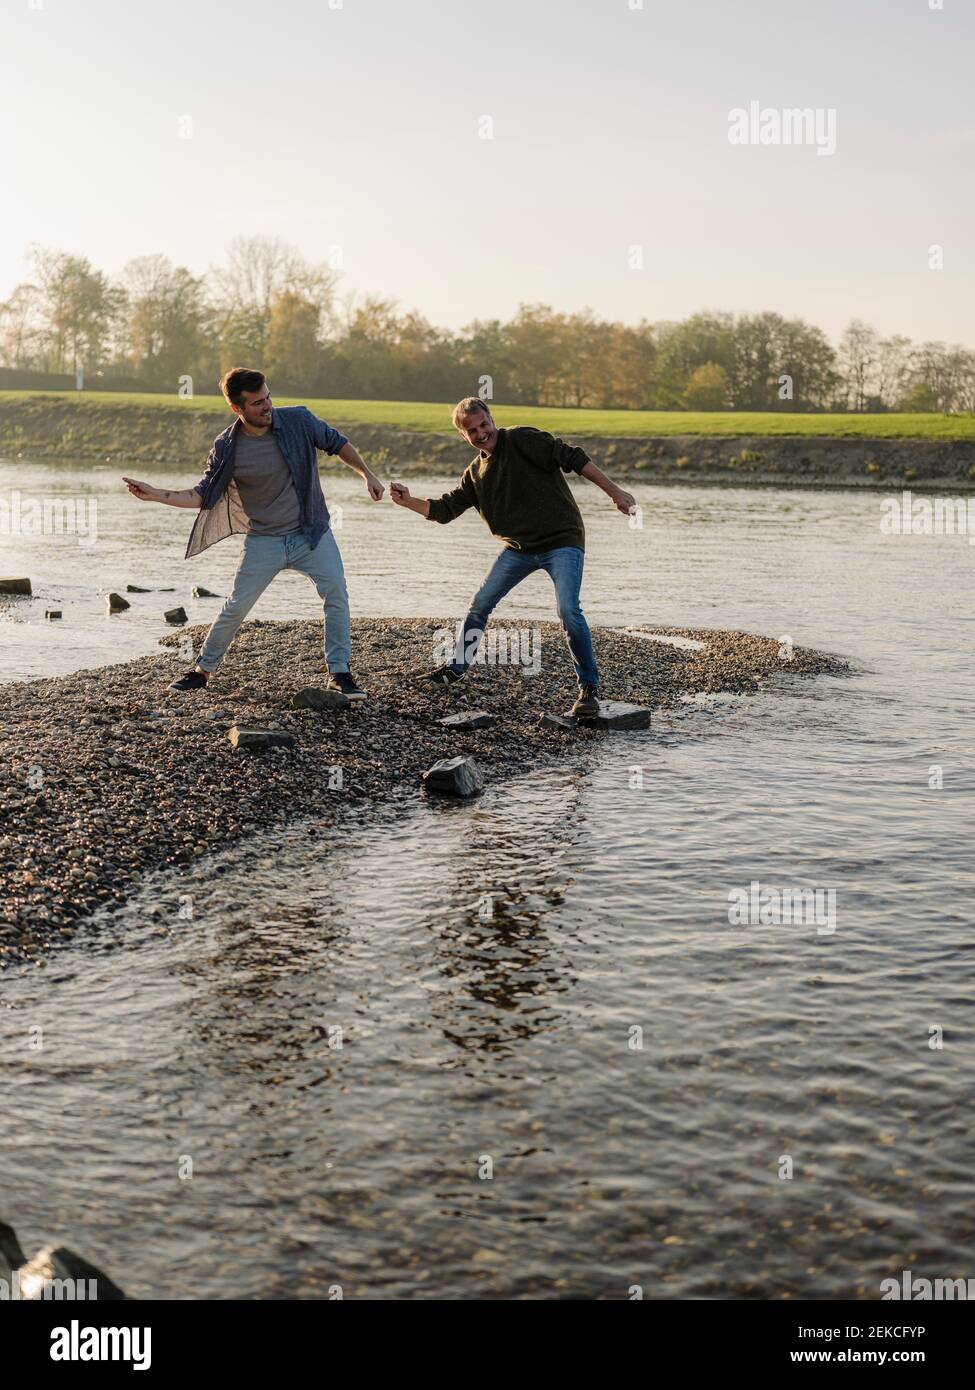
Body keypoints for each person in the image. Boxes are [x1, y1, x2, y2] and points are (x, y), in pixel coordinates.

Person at [122, 368, 383, 698]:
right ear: (237, 409)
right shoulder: (227, 447)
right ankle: (202, 671)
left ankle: (340, 674)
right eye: (258, 403)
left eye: (268, 397)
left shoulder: (299, 421)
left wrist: (367, 475)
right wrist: (156, 493)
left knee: (337, 595)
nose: (267, 406)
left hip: (311, 533)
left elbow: (337, 443)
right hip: (264, 541)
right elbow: (205, 494)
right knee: (236, 606)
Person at [389, 396, 635, 716]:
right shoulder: (475, 473)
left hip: (562, 540)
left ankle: (588, 689)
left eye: (483, 425)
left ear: (492, 419)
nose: (480, 433)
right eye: (472, 431)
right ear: (463, 436)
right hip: (519, 549)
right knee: (480, 604)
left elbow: (572, 457)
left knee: (568, 610)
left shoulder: (522, 439)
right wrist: (408, 501)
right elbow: (444, 510)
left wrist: (615, 492)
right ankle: (457, 668)